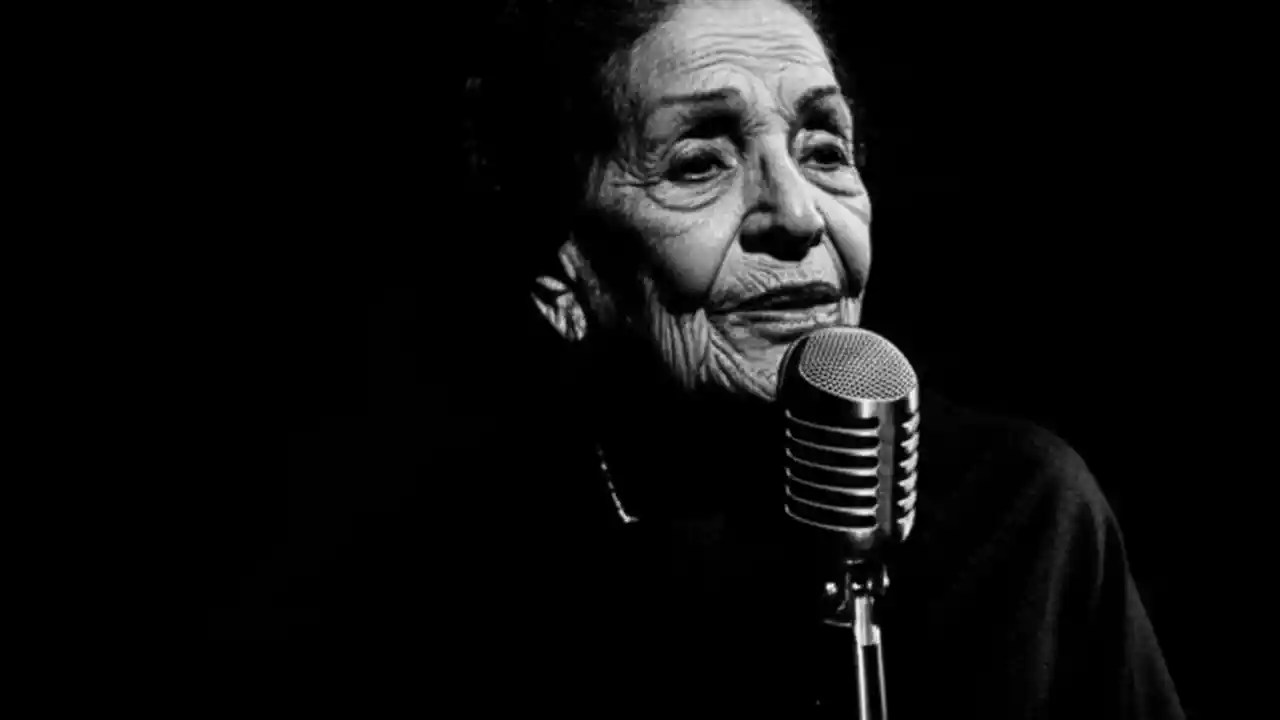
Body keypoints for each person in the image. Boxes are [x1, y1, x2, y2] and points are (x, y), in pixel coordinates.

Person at [454, 0, 1188, 717]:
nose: (801, 215)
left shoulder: (1021, 517)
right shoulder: (467, 574)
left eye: (823, 153)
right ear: (563, 284)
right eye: (700, 163)